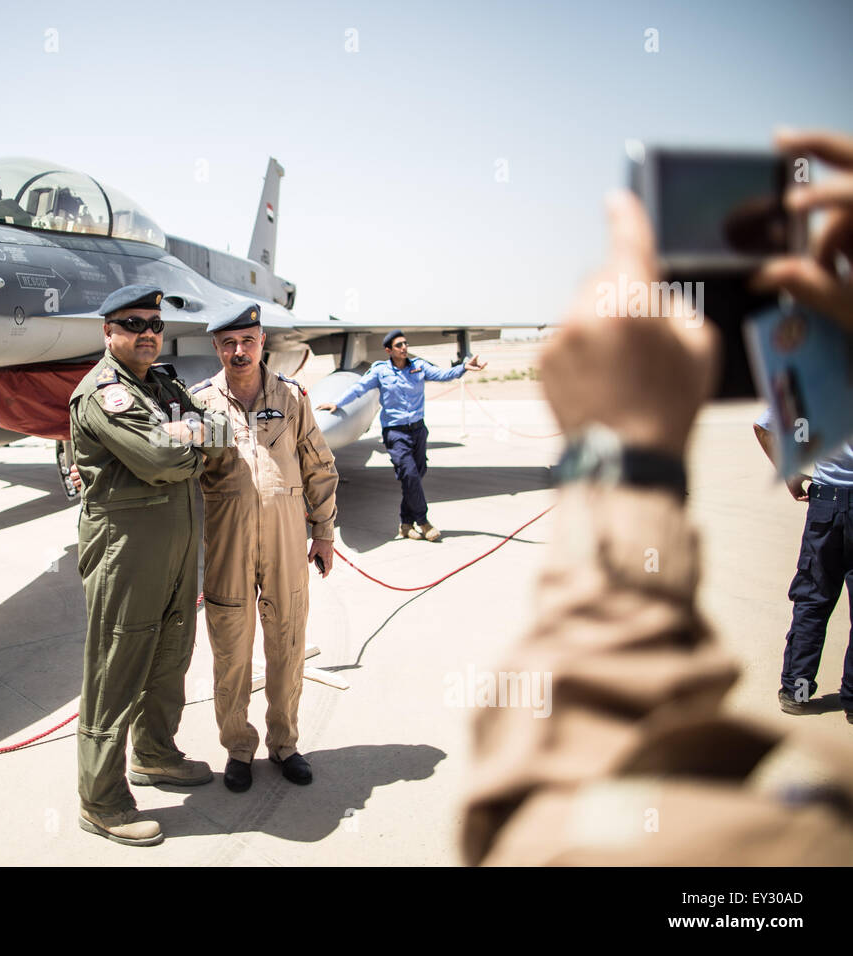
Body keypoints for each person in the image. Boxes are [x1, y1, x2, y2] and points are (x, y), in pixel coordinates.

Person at [463, 162, 853, 865]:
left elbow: (556, 819)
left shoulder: (797, 834)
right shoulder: (822, 816)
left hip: (817, 502)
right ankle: (810, 686)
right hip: (830, 497)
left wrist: (627, 461)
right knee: (818, 599)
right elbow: (775, 425)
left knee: (818, 595)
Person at [68, 283, 228, 846]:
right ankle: (101, 799)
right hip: (126, 548)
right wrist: (186, 439)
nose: (147, 334)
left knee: (171, 650)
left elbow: (224, 434)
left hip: (177, 542)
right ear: (107, 332)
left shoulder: (159, 384)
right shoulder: (104, 393)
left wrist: (188, 434)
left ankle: (156, 754)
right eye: (133, 324)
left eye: (155, 325)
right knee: (118, 664)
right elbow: (161, 459)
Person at [189, 303, 339, 792]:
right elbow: (181, 476)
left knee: (288, 644)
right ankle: (237, 748)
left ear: (262, 341)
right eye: (228, 343)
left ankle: (285, 744)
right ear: (216, 346)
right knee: (230, 650)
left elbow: (319, 464)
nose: (238, 351)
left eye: (247, 341)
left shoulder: (292, 398)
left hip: (286, 542)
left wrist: (324, 532)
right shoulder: (199, 402)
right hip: (228, 544)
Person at [318, 332, 485, 541]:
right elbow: (359, 388)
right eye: (399, 345)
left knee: (416, 475)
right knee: (409, 474)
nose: (404, 347)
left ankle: (406, 524)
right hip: (395, 432)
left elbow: (442, 374)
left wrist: (463, 368)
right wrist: (337, 403)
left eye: (405, 343)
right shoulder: (381, 371)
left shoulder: (418, 366)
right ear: (389, 350)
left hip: (418, 430)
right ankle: (423, 521)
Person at [754, 409, 853, 720]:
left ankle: (797, 691)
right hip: (829, 504)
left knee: (813, 600)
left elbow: (765, 426)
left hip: (827, 506)